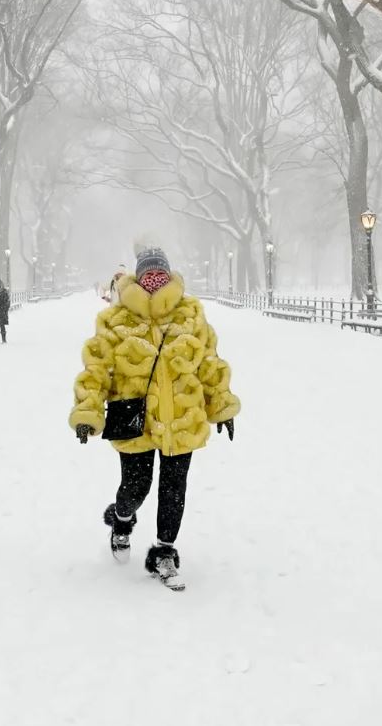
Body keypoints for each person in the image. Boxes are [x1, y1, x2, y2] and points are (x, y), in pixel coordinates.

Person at [69, 240, 239, 590]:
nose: (156, 280)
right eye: (149, 274)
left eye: (161, 273)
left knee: (174, 489)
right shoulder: (115, 320)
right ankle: (121, 518)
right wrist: (87, 410)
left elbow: (209, 363)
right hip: (135, 419)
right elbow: (96, 368)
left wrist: (221, 405)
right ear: (138, 275)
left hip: (183, 418)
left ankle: (165, 552)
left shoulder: (190, 315)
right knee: (136, 487)